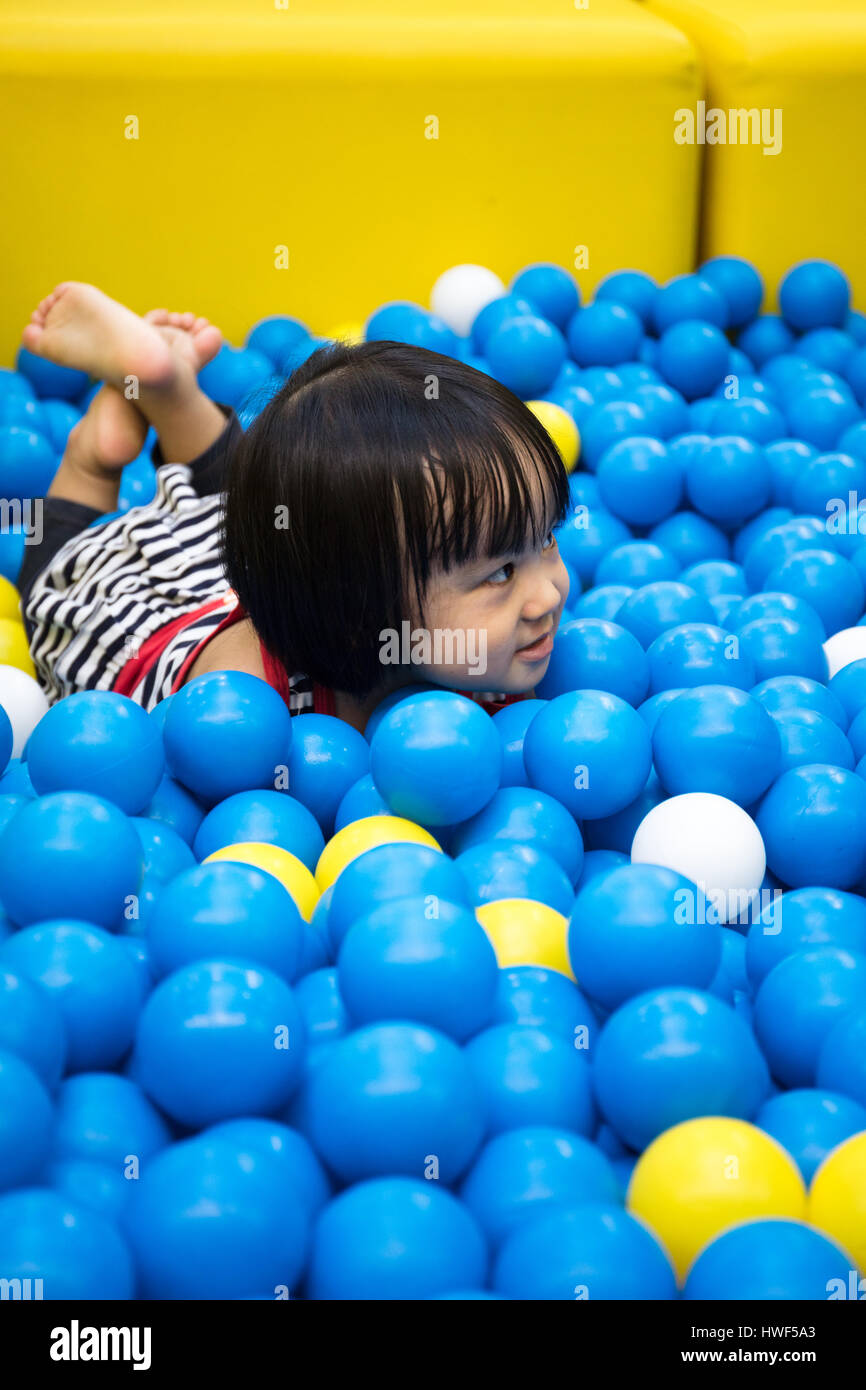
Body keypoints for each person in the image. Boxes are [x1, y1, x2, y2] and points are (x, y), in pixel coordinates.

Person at [17, 283, 571, 735]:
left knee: (256, 501)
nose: (548, 594)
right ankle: (95, 461)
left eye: (545, 537)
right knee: (56, 574)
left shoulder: (444, 621)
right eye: (501, 572)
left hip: (246, 552)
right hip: (135, 610)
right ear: (362, 617)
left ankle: (166, 385)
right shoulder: (245, 705)